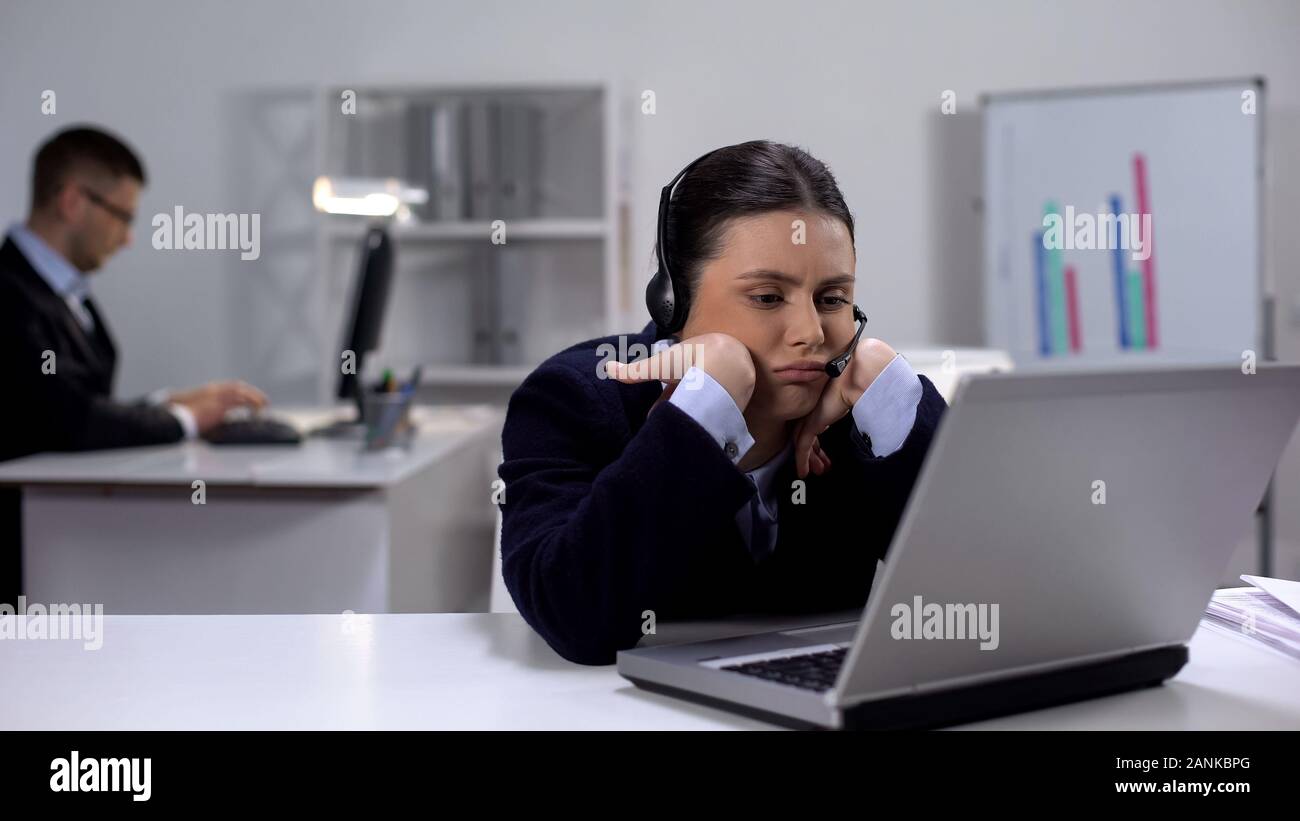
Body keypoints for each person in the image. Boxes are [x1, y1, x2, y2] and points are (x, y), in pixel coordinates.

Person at [497, 140, 949, 665]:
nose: (809, 333)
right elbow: (576, 620)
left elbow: (984, 609)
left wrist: (890, 397)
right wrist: (703, 408)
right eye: (766, 297)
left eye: (831, 300)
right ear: (674, 301)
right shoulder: (574, 399)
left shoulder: (860, 411)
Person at [0, 125, 268, 600]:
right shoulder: (9, 293)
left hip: (50, 548)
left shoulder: (63, 293)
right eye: (123, 217)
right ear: (72, 201)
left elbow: (68, 400)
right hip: (21, 562)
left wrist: (166, 402)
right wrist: (184, 419)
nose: (127, 239)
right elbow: (66, 421)